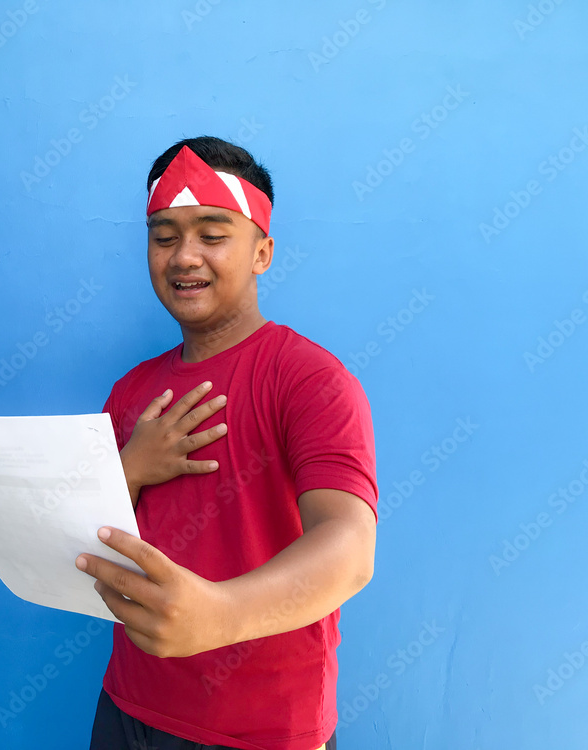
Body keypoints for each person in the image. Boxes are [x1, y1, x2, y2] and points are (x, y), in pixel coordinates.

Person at [75, 136, 378, 750]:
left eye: (213, 235)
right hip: (129, 704)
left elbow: (349, 547)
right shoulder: (131, 389)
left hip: (262, 726)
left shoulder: (310, 380)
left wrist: (221, 615)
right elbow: (85, 541)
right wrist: (130, 468)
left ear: (262, 251)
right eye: (164, 237)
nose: (185, 256)